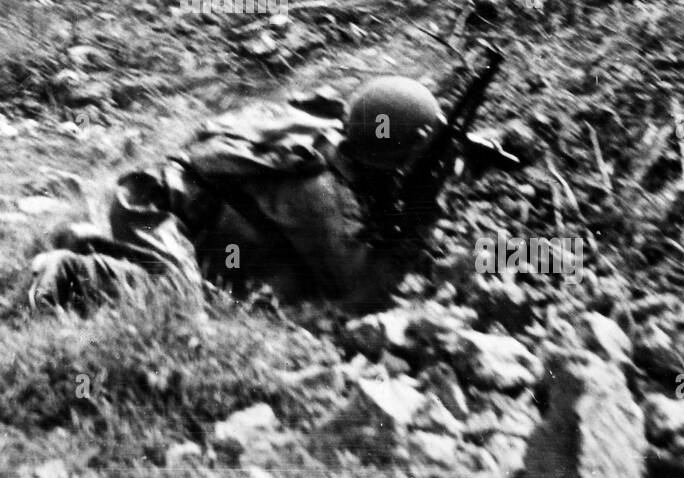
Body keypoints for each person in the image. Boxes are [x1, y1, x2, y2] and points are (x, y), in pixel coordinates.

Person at [25, 73, 505, 312]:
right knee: (184, 302)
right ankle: (75, 270)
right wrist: (424, 215)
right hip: (158, 211)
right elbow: (356, 289)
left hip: (173, 210)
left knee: (275, 276)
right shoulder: (316, 189)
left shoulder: (341, 136)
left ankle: (86, 236)